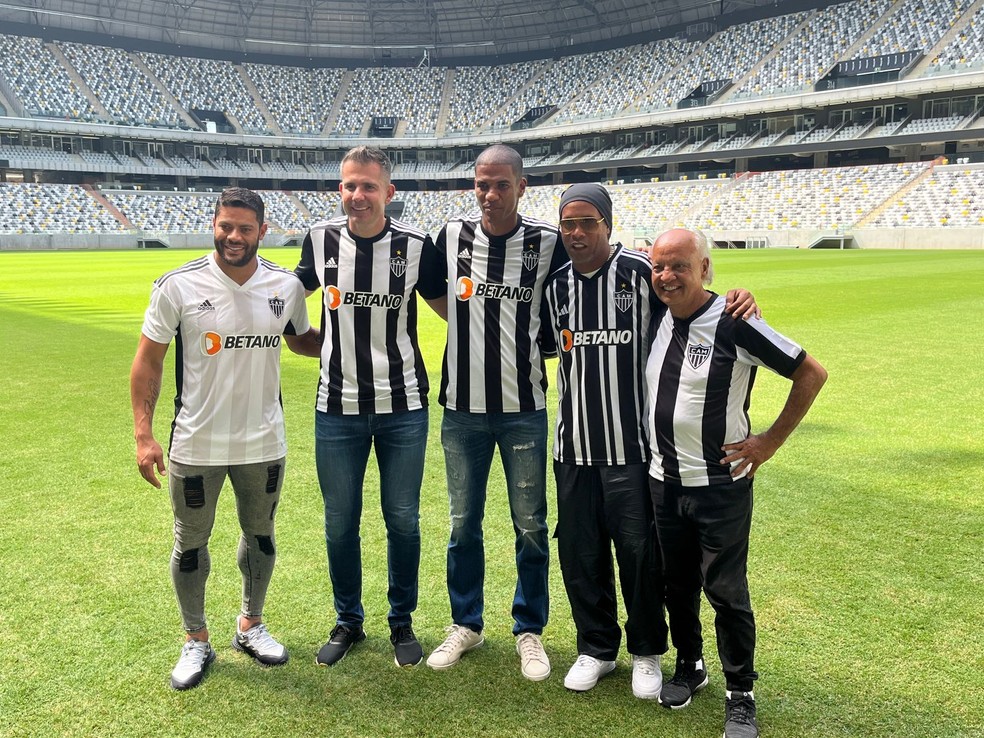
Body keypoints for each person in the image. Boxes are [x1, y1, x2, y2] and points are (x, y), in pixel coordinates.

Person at [543, 185, 758, 697]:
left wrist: (739, 296)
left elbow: (690, 306)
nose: (577, 232)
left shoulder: (640, 274)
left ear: (608, 225)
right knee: (580, 553)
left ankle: (645, 652)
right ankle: (595, 648)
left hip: (634, 449)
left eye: (588, 222)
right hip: (573, 447)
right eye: (568, 223)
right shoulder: (555, 288)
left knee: (640, 555)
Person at [130, 187, 320, 690]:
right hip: (197, 444)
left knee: (260, 535)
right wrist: (143, 433)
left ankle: (251, 625)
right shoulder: (177, 285)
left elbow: (301, 339)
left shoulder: (285, 286)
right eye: (225, 226)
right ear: (214, 224)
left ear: (263, 229)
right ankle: (195, 638)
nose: (233, 236)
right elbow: (149, 360)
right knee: (190, 544)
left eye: (244, 228)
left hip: (263, 442)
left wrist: (357, 332)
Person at [646, 228, 827, 738]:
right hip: (663, 481)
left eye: (680, 265)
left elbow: (811, 372)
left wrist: (769, 441)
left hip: (720, 486)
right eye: (660, 265)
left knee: (725, 589)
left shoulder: (733, 320)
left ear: (705, 269)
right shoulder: (653, 312)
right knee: (674, 584)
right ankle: (690, 664)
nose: (667, 276)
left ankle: (740, 692)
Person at [421, 144, 567, 681]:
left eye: (502, 184)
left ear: (522, 186)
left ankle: (529, 630)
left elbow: (599, 274)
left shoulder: (548, 243)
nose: (490, 194)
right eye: (483, 183)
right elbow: (434, 293)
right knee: (464, 524)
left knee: (529, 524)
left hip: (523, 408)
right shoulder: (451, 237)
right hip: (461, 410)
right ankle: (467, 623)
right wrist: (467, 326)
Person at [295, 146, 445, 669]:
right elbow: (289, 299)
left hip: (403, 405)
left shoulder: (416, 247)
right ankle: (348, 621)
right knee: (340, 523)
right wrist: (308, 340)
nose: (357, 195)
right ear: (341, 189)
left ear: (389, 192)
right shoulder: (319, 240)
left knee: (402, 520)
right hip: (335, 409)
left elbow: (457, 312)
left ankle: (401, 620)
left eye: (368, 186)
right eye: (349, 186)